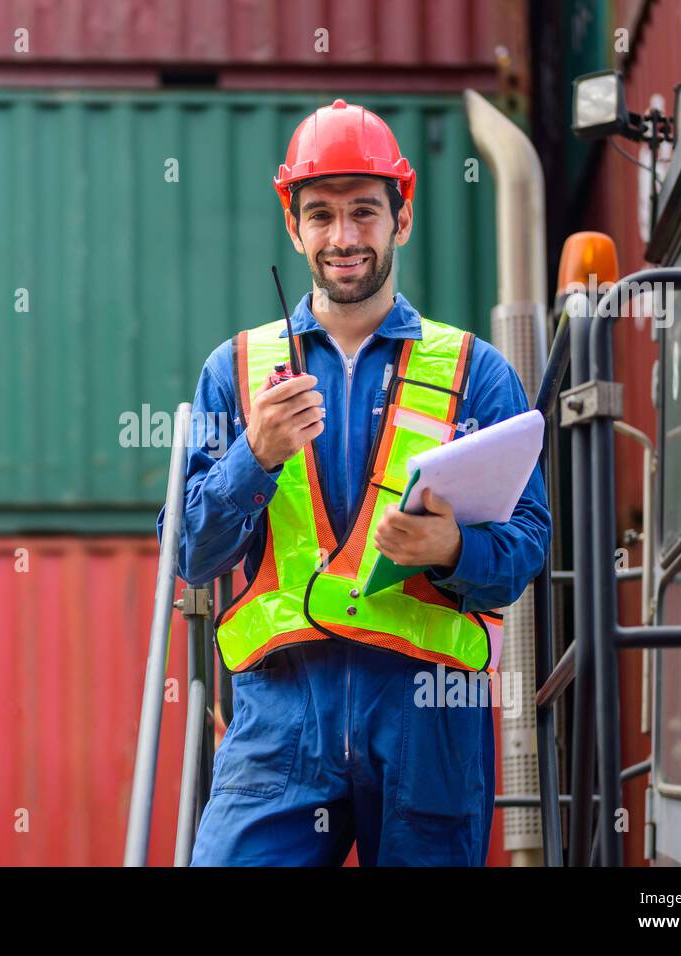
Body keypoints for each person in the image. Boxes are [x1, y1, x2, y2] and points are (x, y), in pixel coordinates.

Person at [155, 99, 551, 866]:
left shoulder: (478, 373)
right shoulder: (233, 373)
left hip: (428, 716)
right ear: (293, 225)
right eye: (322, 214)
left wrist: (451, 549)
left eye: (365, 212)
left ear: (401, 220)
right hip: (278, 719)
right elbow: (188, 554)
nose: (343, 237)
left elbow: (527, 548)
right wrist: (253, 458)